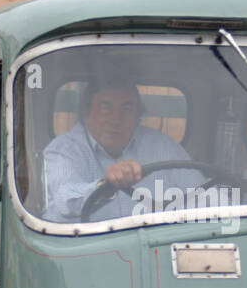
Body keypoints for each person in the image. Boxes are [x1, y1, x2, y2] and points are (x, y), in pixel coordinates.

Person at [42, 73, 200, 222]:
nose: (115, 119)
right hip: (86, 248)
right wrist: (104, 187)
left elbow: (204, 194)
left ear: (138, 116)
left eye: (126, 109)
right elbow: (65, 200)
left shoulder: (163, 147)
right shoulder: (63, 149)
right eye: (106, 108)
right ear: (86, 112)